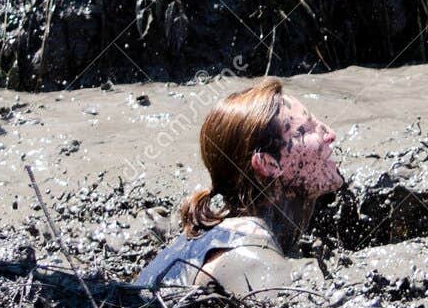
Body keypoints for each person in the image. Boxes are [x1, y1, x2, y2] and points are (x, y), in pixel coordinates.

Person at [133, 77, 345, 295]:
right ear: (268, 164)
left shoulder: (224, 232)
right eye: (308, 130)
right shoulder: (256, 262)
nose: (330, 134)